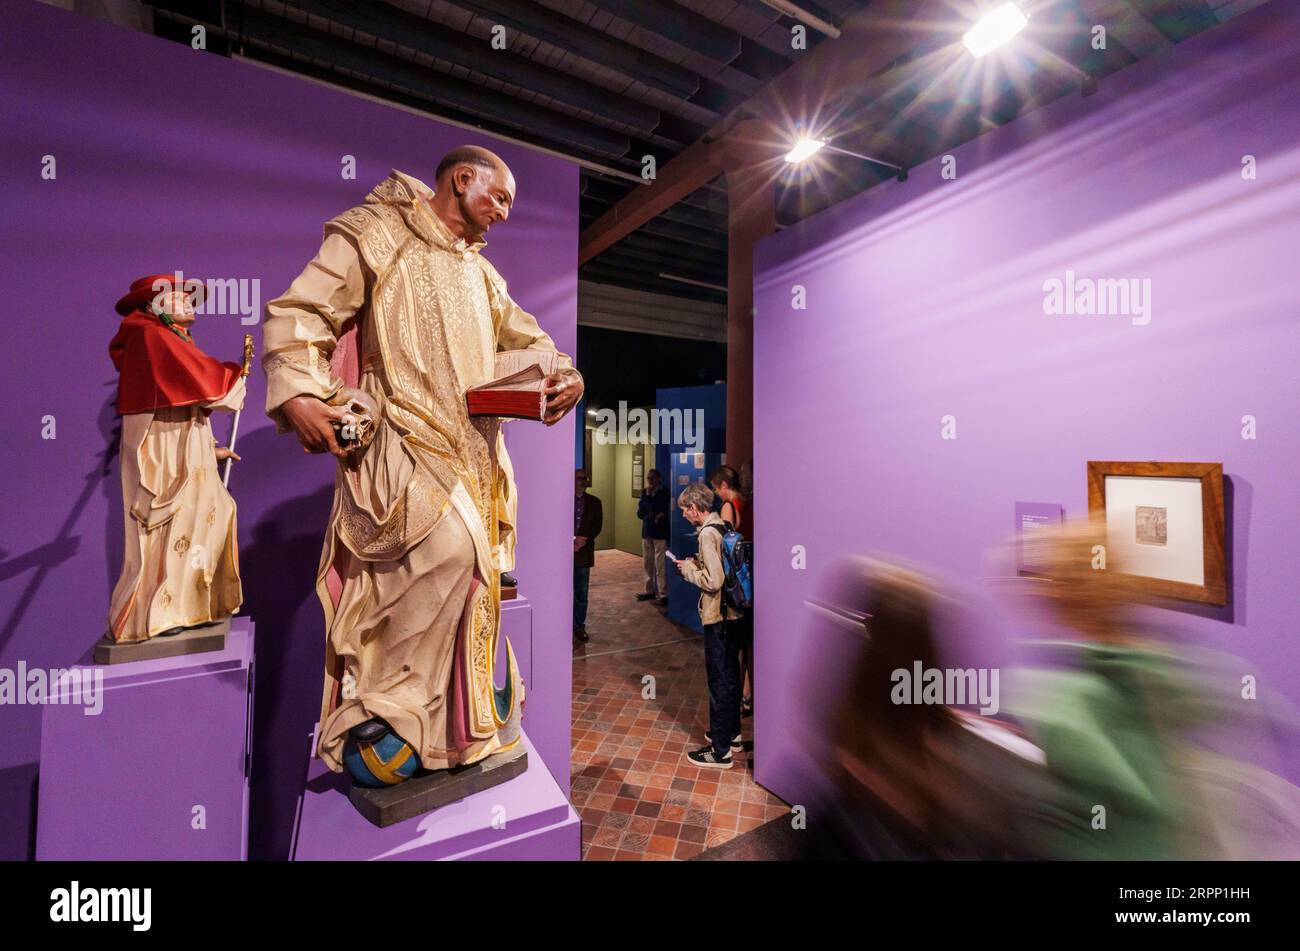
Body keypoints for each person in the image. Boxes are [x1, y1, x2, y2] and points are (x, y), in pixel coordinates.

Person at [263, 147, 583, 785]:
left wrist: (565, 374)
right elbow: (302, 313)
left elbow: (532, 340)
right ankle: (391, 714)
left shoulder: (482, 276)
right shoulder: (375, 232)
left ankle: (456, 726)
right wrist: (297, 389)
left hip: (475, 447)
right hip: (401, 438)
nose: (502, 215)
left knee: (478, 573)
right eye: (498, 198)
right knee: (440, 554)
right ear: (462, 180)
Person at [107, 274, 246, 642]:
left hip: (183, 447)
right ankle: (157, 614)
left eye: (188, 296)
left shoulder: (170, 338)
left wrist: (207, 451)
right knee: (174, 526)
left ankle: (189, 606)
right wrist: (232, 377)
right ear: (156, 306)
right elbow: (202, 387)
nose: (187, 301)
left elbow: (186, 402)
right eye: (177, 297)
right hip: (166, 455)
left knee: (214, 514)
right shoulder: (151, 336)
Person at [674, 481, 743, 768]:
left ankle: (720, 750)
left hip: (718, 617)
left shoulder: (706, 535)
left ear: (694, 508)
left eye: (684, 510)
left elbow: (713, 581)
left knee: (718, 680)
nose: (683, 516)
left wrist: (688, 569)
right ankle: (732, 734)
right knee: (731, 676)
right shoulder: (723, 526)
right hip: (735, 614)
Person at [711, 463, 754, 716]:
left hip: (735, 582)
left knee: (734, 642)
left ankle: (742, 694)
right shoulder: (749, 504)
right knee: (747, 641)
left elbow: (726, 545)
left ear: (724, 485)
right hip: (750, 574)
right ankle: (747, 694)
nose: (716, 493)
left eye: (717, 488)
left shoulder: (728, 506)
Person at [573, 469, 603, 642]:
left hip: (583, 553)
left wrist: (581, 541)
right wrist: (571, 540)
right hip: (563, 554)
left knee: (582, 594)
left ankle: (579, 626)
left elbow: (597, 526)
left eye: (585, 478)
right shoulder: (563, 500)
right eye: (579, 478)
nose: (583, 481)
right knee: (563, 592)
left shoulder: (595, 502)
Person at [635, 467, 670, 605]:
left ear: (659, 478)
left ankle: (663, 593)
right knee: (647, 563)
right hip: (647, 531)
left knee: (660, 564)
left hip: (660, 532)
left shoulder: (665, 492)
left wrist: (656, 515)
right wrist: (653, 516)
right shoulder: (645, 492)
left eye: (653, 478)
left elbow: (664, 509)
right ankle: (649, 590)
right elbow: (640, 512)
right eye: (648, 478)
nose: (650, 481)